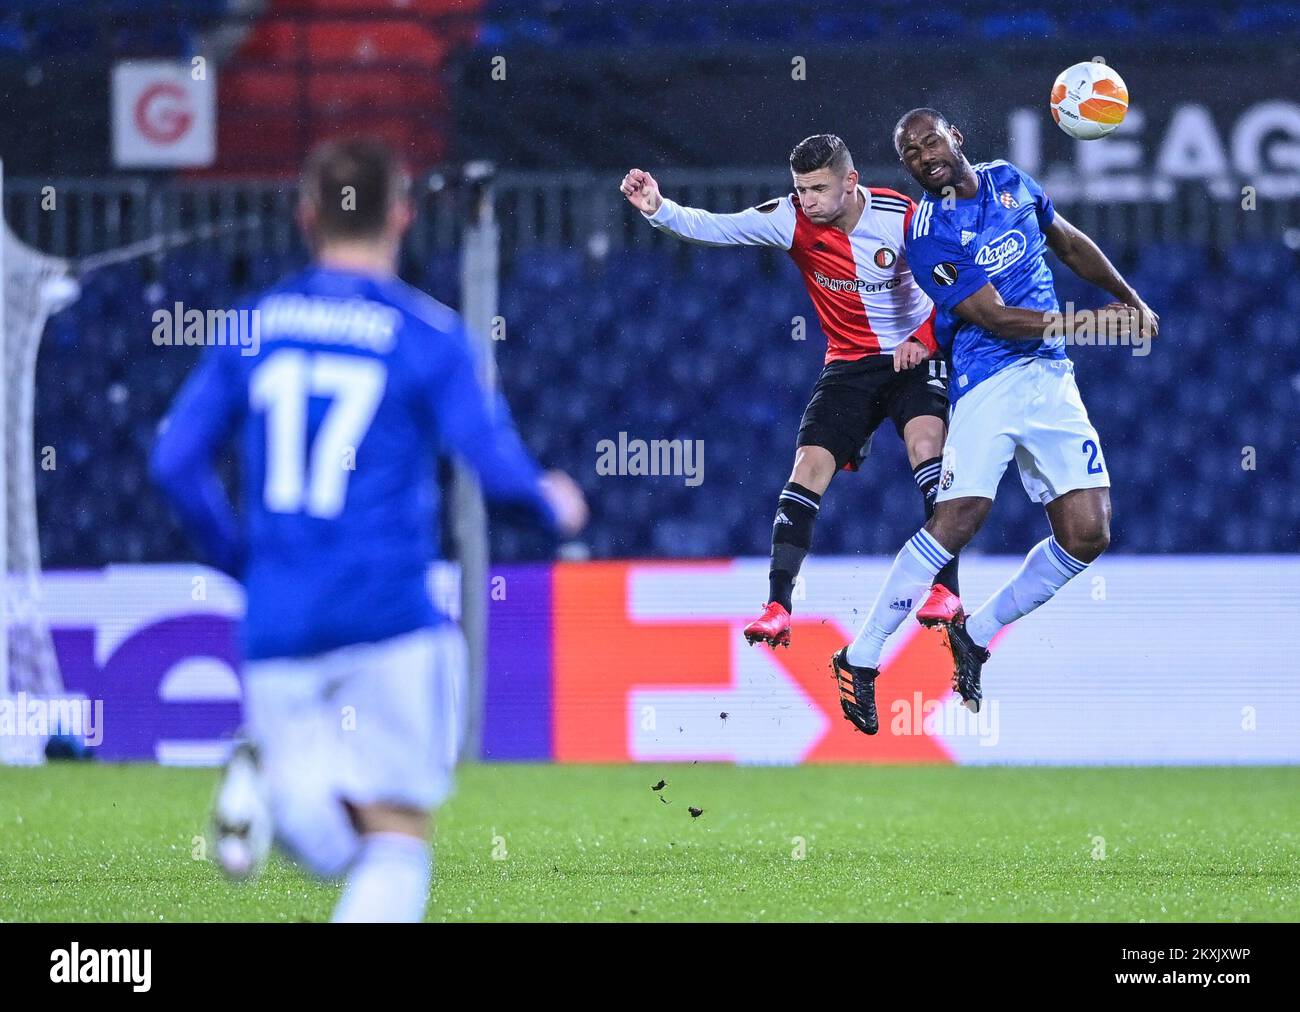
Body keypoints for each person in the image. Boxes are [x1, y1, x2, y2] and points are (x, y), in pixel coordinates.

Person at [150, 138, 587, 920]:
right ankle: (279, 798)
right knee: (397, 840)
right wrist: (554, 504)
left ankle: (277, 792)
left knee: (345, 849)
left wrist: (242, 561)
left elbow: (175, 461)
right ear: (402, 215)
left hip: (279, 617)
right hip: (389, 617)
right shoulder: (428, 334)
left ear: (306, 215)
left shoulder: (255, 325)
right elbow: (495, 472)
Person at [832, 108, 1157, 736]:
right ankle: (862, 653)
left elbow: (1065, 240)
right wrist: (1095, 323)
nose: (924, 155)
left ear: (955, 135)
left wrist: (1130, 298)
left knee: (1088, 533)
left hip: (1051, 379)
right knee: (960, 519)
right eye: (910, 154)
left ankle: (976, 635)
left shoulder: (1011, 179)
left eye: (930, 141)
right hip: (987, 383)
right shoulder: (927, 232)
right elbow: (996, 318)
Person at [621, 134, 958, 650]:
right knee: (807, 466)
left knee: (926, 449)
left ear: (851, 182)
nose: (809, 201)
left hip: (913, 355)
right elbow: (718, 229)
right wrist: (659, 209)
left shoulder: (902, 215)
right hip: (849, 363)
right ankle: (778, 606)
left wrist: (924, 338)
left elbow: (953, 287)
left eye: (819, 189)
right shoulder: (790, 217)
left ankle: (945, 591)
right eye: (801, 189)